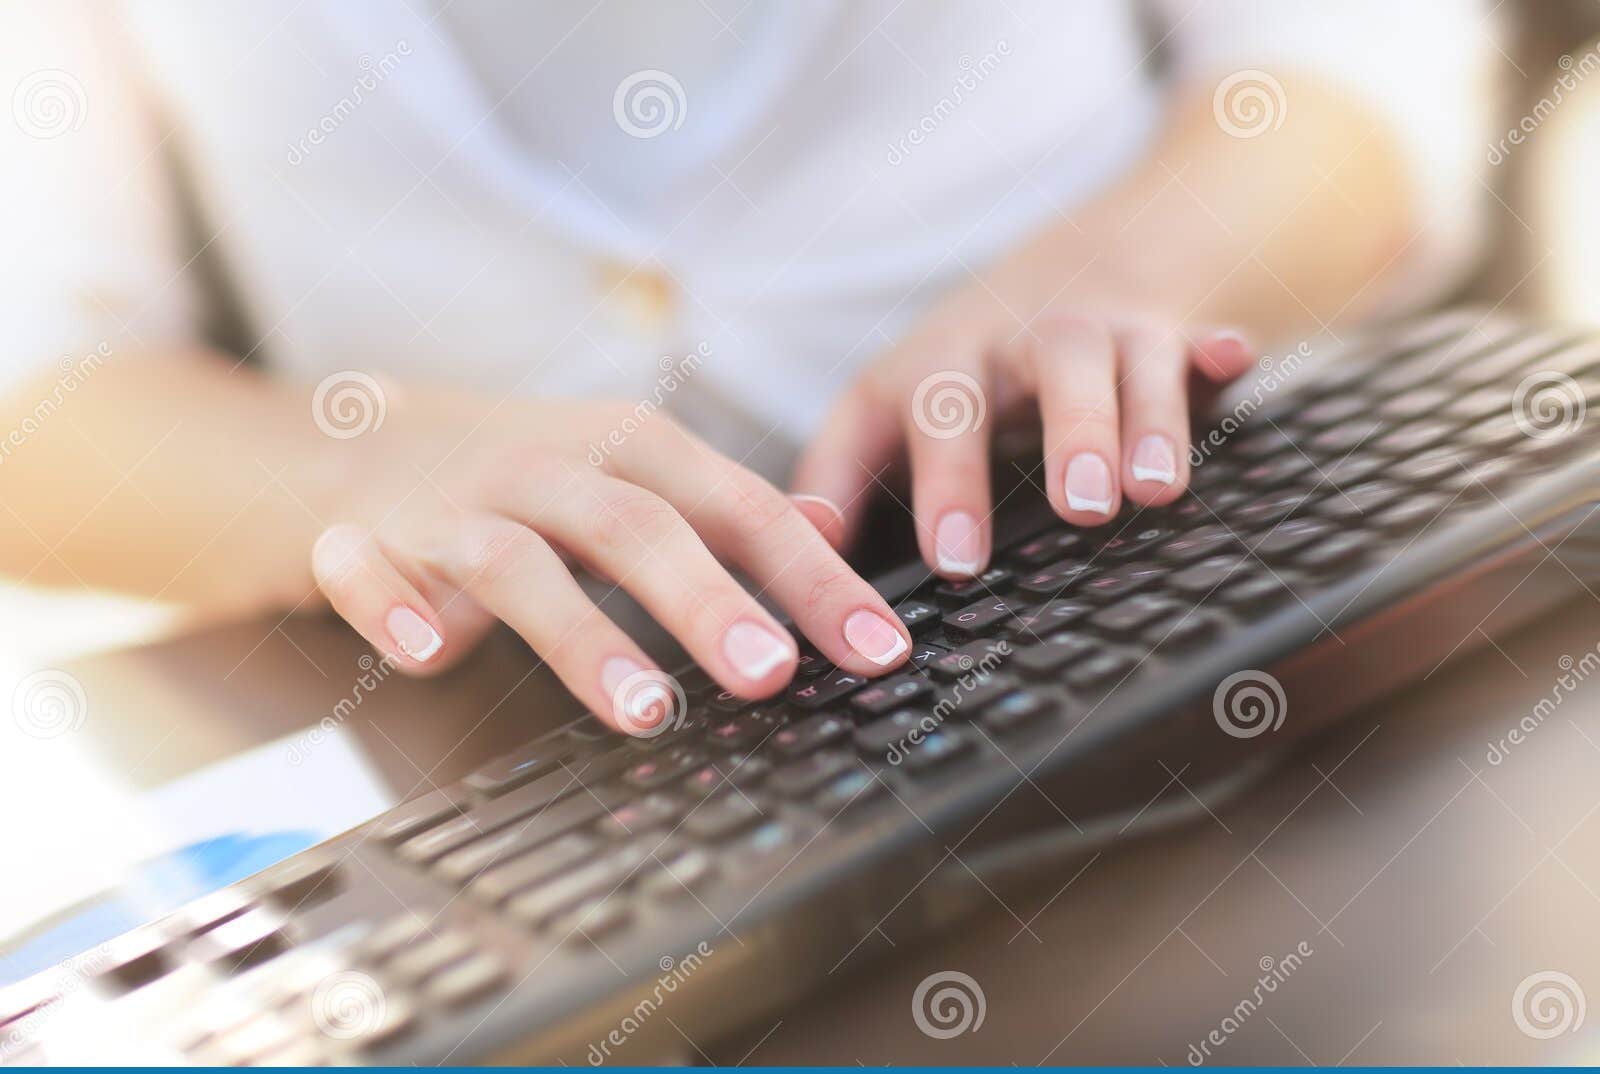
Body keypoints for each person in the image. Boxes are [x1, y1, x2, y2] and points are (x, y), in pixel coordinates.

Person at [0, 1, 1495, 729]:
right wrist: (354, 466)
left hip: (1174, 574)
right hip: (546, 754)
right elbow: (35, 393)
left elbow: (1359, 60)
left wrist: (1137, 265)